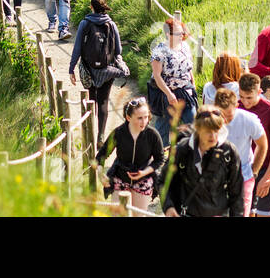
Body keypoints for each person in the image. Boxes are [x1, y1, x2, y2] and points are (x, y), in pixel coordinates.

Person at [68, 0, 128, 143]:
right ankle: (101, 135)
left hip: (89, 69)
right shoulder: (111, 24)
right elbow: (118, 50)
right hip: (107, 70)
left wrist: (71, 69)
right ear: (104, 6)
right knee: (103, 101)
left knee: (92, 99)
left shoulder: (85, 23)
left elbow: (77, 48)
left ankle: (90, 132)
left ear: (91, 7)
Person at [163, 106, 244, 217]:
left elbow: (237, 191)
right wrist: (169, 207)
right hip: (188, 212)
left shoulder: (228, 152)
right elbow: (163, 181)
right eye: (208, 131)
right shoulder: (183, 150)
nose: (213, 136)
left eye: (216, 130)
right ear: (198, 129)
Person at [96, 96, 165, 214]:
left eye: (146, 117)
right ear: (128, 117)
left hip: (143, 179)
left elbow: (159, 159)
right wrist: (101, 174)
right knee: (117, 215)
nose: (144, 122)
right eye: (139, 118)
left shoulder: (153, 135)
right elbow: (101, 156)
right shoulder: (118, 133)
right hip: (120, 178)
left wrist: (144, 172)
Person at [213, 88, 268, 218]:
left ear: (237, 105)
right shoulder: (208, 121)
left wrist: (254, 170)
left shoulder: (249, 119)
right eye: (222, 115)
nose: (225, 119)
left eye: (229, 115)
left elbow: (262, 144)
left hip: (243, 173)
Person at [240, 72, 270, 218]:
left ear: (259, 92)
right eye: (242, 97)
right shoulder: (237, 107)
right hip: (247, 166)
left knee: (263, 213)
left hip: (268, 165)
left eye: (249, 98)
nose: (245, 102)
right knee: (247, 211)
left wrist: (267, 177)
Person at [148, 16, 197, 145]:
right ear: (168, 34)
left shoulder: (185, 46)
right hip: (166, 95)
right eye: (178, 33)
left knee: (193, 123)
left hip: (186, 92)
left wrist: (193, 84)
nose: (182, 35)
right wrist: (169, 94)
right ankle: (161, 157)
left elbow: (189, 67)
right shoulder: (159, 52)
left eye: (182, 32)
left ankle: (191, 154)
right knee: (164, 127)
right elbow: (157, 76)